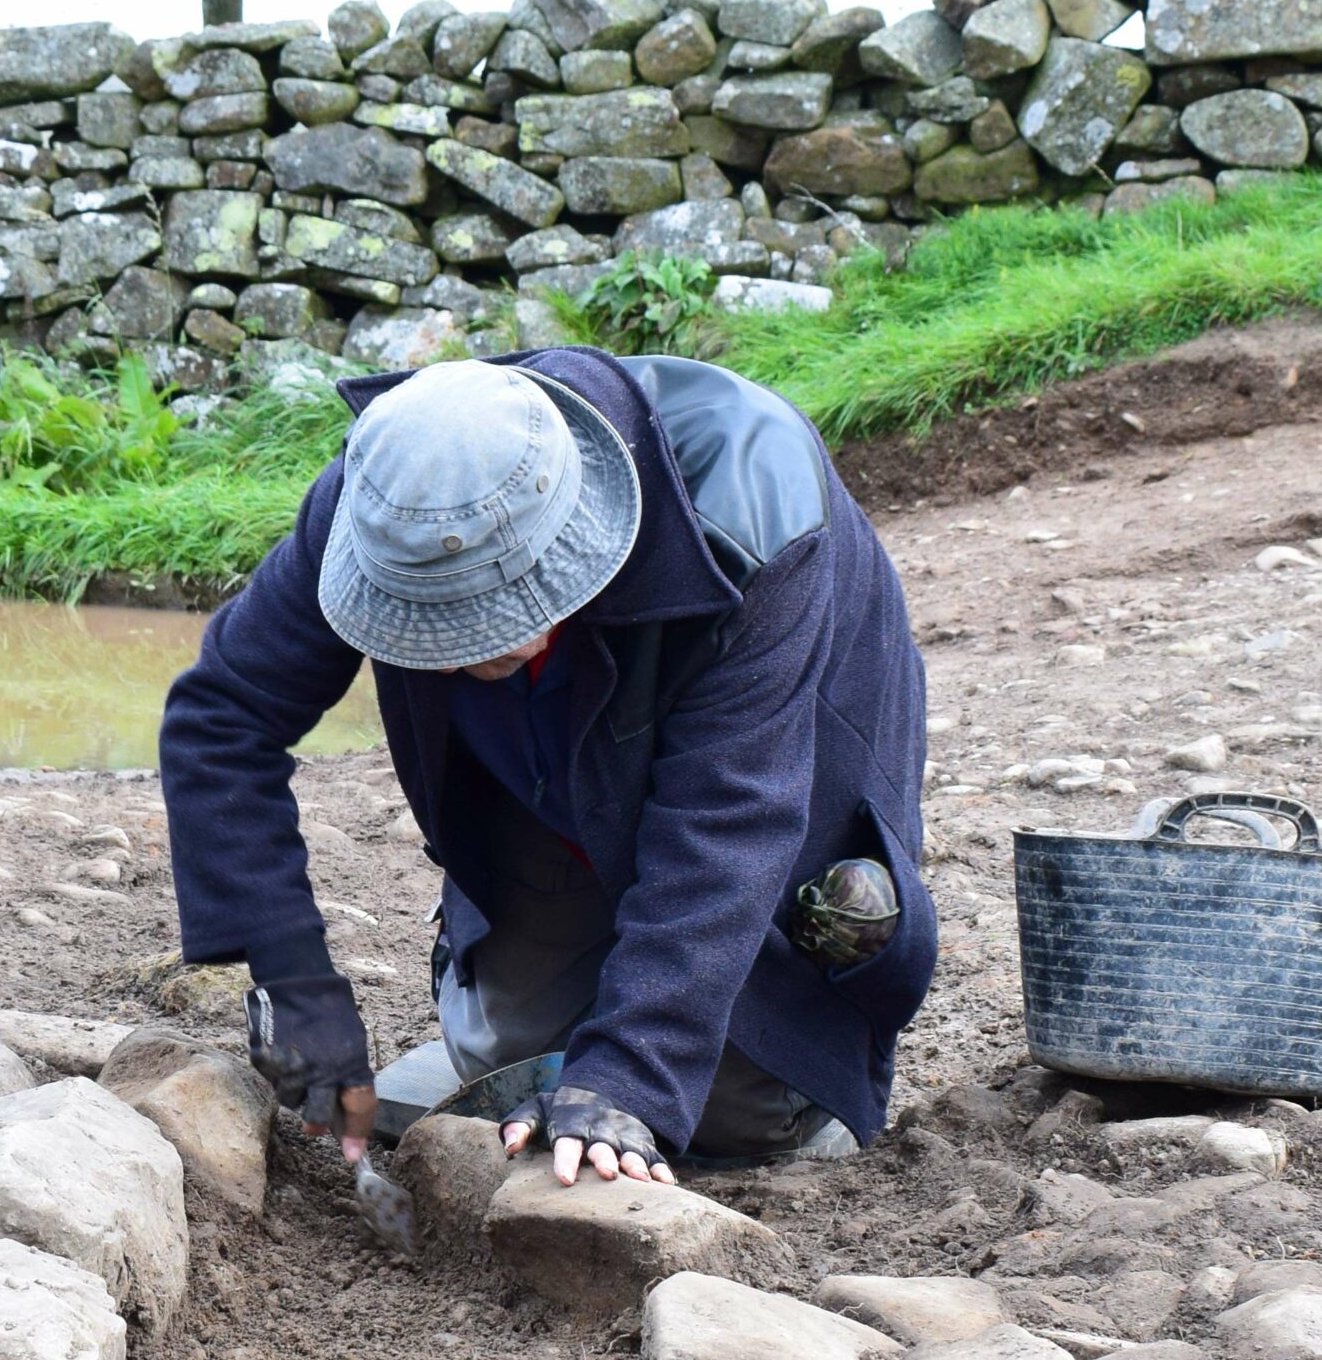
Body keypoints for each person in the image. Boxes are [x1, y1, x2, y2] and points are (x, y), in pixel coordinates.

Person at [160, 348, 933, 1189]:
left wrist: (625, 1077)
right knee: (512, 1062)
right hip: (545, 774)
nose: (504, 643)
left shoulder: (754, 513)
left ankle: (780, 1079)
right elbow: (222, 715)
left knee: (719, 1103)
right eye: (453, 626)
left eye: (520, 600)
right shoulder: (387, 503)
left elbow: (728, 822)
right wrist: (294, 975)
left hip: (782, 777)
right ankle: (548, 1025)